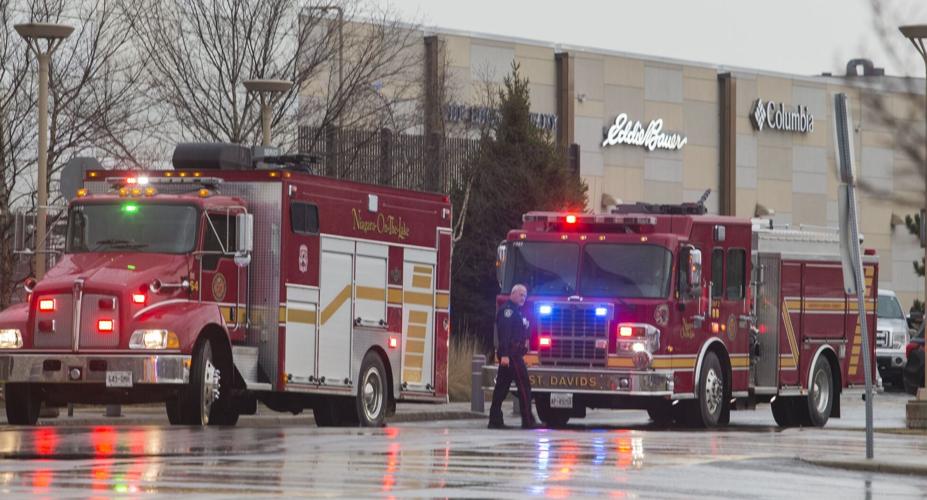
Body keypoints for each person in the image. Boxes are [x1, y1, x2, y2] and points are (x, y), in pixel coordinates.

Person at [488, 284, 540, 429]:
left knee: (502, 388)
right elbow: (504, 334)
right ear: (513, 294)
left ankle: (495, 420)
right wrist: (504, 355)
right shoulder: (508, 311)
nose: (523, 297)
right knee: (524, 386)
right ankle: (527, 420)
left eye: (525, 295)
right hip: (511, 355)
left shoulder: (516, 311)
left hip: (513, 354)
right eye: (521, 294)